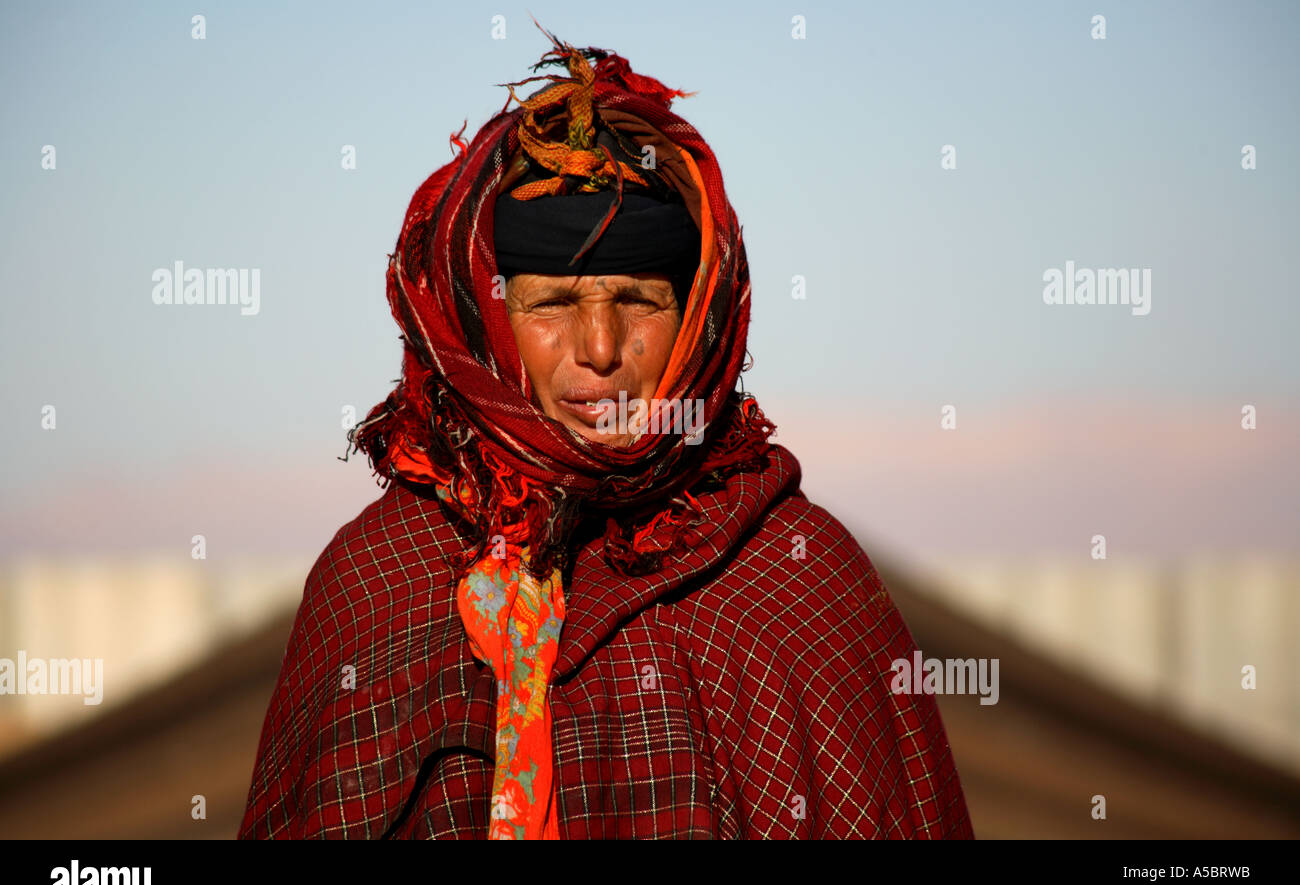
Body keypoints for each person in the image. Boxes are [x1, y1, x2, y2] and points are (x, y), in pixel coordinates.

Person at [238, 29, 974, 840]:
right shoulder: (380, 579)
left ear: (696, 319)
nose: (598, 348)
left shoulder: (797, 580)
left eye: (638, 300)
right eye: (553, 304)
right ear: (490, 323)